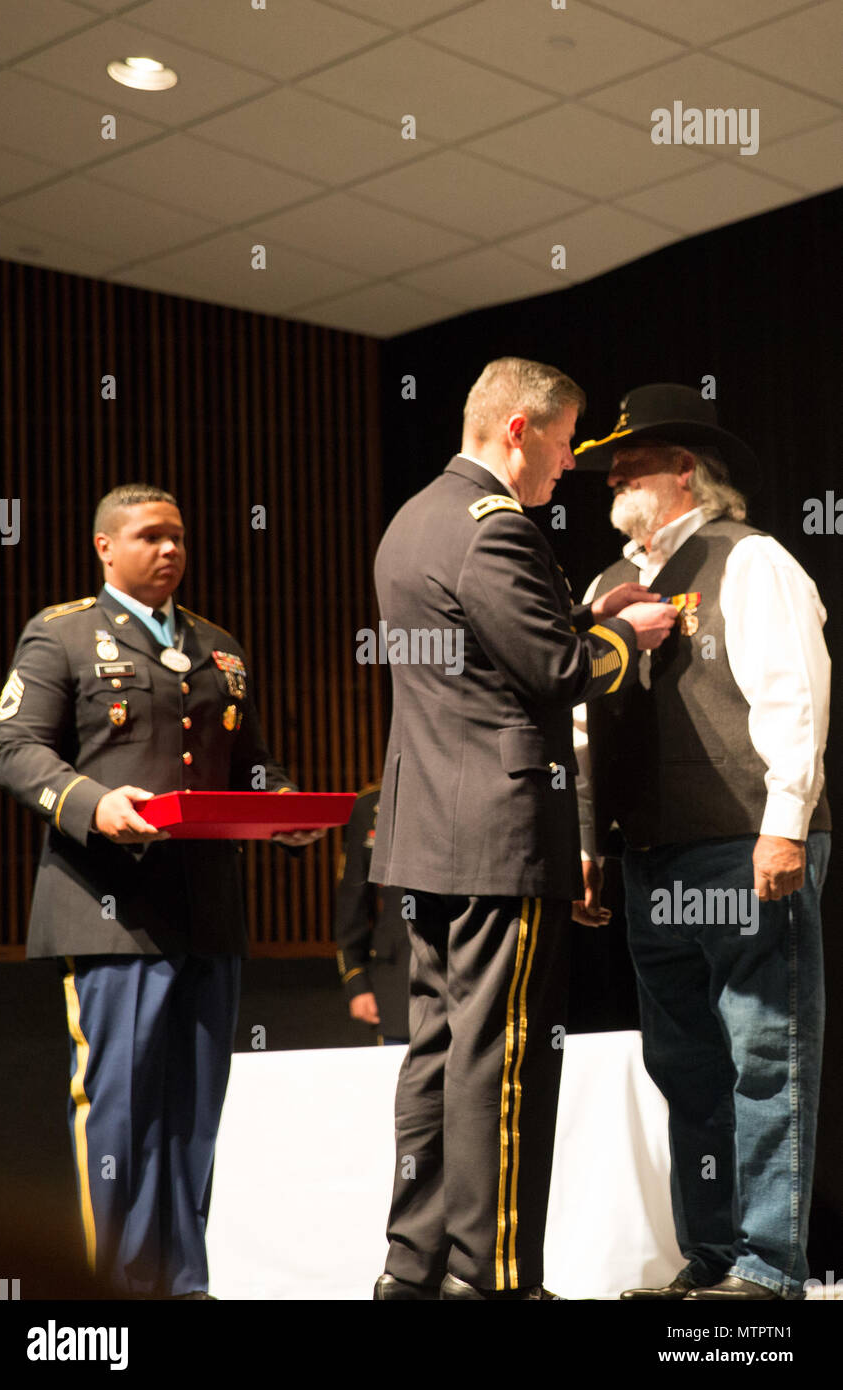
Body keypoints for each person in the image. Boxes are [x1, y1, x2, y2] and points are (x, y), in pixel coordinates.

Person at [369, 358, 677, 1300]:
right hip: (501, 836)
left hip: (427, 831)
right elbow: (549, 671)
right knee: (501, 1061)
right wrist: (631, 636)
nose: (568, 467)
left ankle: (413, 1270)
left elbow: (486, 650)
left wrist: (589, 611)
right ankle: (494, 1276)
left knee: (435, 1056)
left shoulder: (415, 518)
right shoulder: (495, 526)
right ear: (517, 430)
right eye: (562, 442)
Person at [0, 483, 323, 1299]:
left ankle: (184, 1285)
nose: (170, 550)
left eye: (177, 537)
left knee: (194, 1114)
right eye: (149, 537)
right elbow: (14, 749)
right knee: (122, 1114)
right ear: (106, 547)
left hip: (207, 912)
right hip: (111, 912)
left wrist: (282, 809)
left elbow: (252, 768)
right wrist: (94, 804)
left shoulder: (219, 646)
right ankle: (118, 1292)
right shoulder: (62, 635)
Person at [573, 384, 831, 1301]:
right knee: (683, 1062)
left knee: (765, 1054)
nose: (612, 473)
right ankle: (714, 1255)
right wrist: (589, 846)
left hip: (740, 841)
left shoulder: (751, 560)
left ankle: (767, 1267)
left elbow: (793, 696)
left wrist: (785, 825)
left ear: (685, 472)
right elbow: (585, 727)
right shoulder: (608, 586)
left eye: (630, 461)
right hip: (649, 853)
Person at [335, 783, 410, 1045]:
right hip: (398, 980)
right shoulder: (371, 805)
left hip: (467, 977)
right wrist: (356, 980)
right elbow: (352, 902)